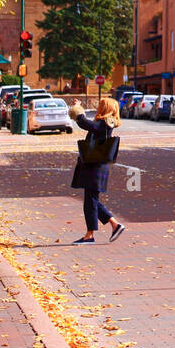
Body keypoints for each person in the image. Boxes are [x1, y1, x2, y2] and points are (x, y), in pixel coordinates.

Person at [69, 98, 126, 244]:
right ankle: (113, 225)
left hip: (96, 166)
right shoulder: (105, 123)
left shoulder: (106, 123)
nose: (98, 108)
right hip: (96, 165)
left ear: (105, 108)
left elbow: (85, 123)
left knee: (91, 199)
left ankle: (90, 235)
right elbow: (86, 124)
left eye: (100, 106)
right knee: (91, 199)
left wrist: (77, 108)